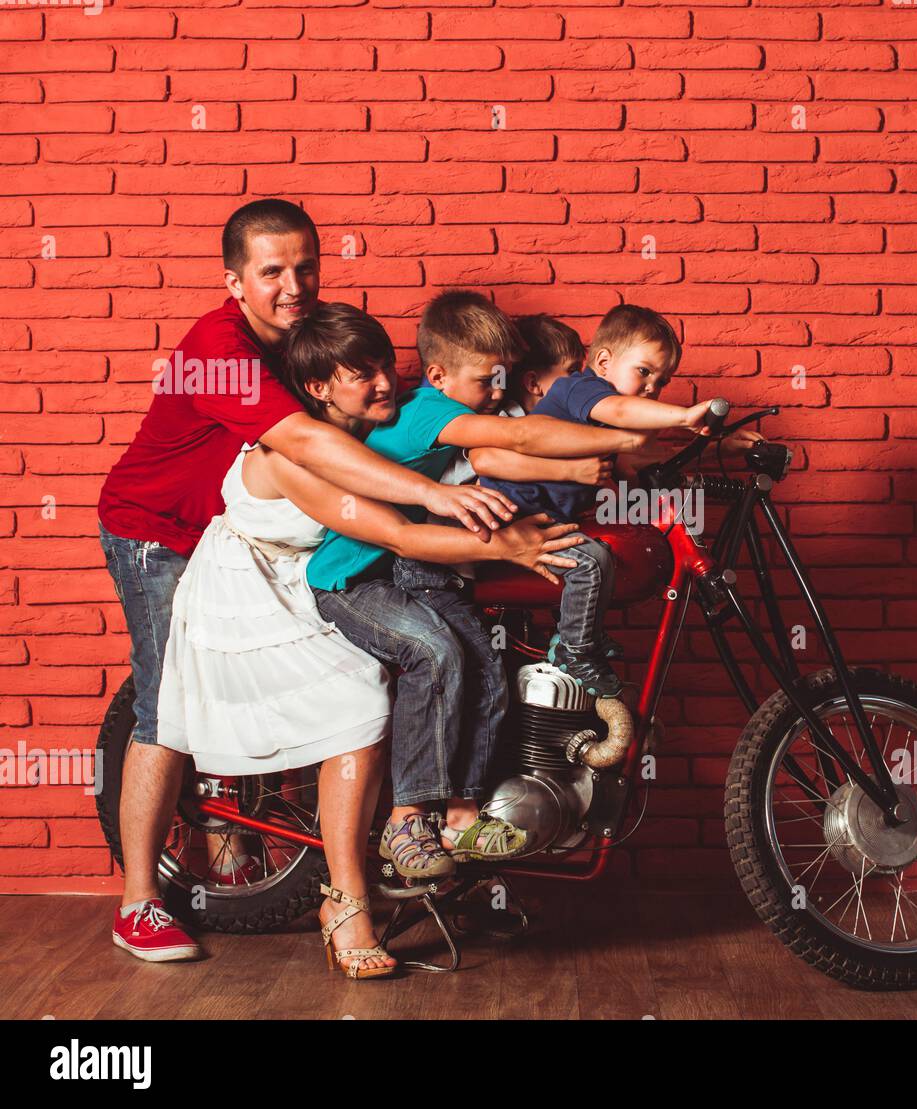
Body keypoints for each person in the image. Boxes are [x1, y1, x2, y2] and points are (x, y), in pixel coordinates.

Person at [98, 199, 514, 963]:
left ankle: (354, 878)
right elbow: (306, 442)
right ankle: (139, 901)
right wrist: (430, 494)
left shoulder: (307, 345)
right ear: (235, 282)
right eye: (272, 272)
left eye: (306, 267)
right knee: (167, 702)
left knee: (360, 683)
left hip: (275, 545)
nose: (295, 285)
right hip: (158, 534)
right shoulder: (220, 350)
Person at [154, 303, 583, 977]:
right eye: (364, 372)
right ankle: (351, 896)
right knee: (367, 702)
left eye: (386, 363)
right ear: (321, 387)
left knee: (461, 653)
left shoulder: (389, 423)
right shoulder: (296, 453)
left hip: (341, 576)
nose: (387, 380)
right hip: (257, 587)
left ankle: (446, 838)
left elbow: (475, 453)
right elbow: (400, 533)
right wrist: (510, 542)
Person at [307, 290, 651, 874]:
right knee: (435, 652)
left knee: (488, 670)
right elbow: (510, 447)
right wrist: (619, 438)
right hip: (352, 579)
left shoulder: (461, 416)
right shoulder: (427, 410)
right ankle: (406, 819)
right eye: (487, 380)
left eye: (504, 380)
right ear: (440, 375)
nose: (499, 393)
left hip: (408, 570)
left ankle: (464, 817)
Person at [478, 305, 718, 697]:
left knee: (605, 553)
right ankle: (575, 649)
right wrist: (683, 415)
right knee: (591, 563)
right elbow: (622, 407)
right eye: (644, 372)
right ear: (603, 361)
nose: (651, 388)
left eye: (662, 381)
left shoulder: (607, 422)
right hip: (512, 514)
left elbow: (640, 460)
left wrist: (720, 446)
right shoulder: (581, 389)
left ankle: (577, 635)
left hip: (546, 517)